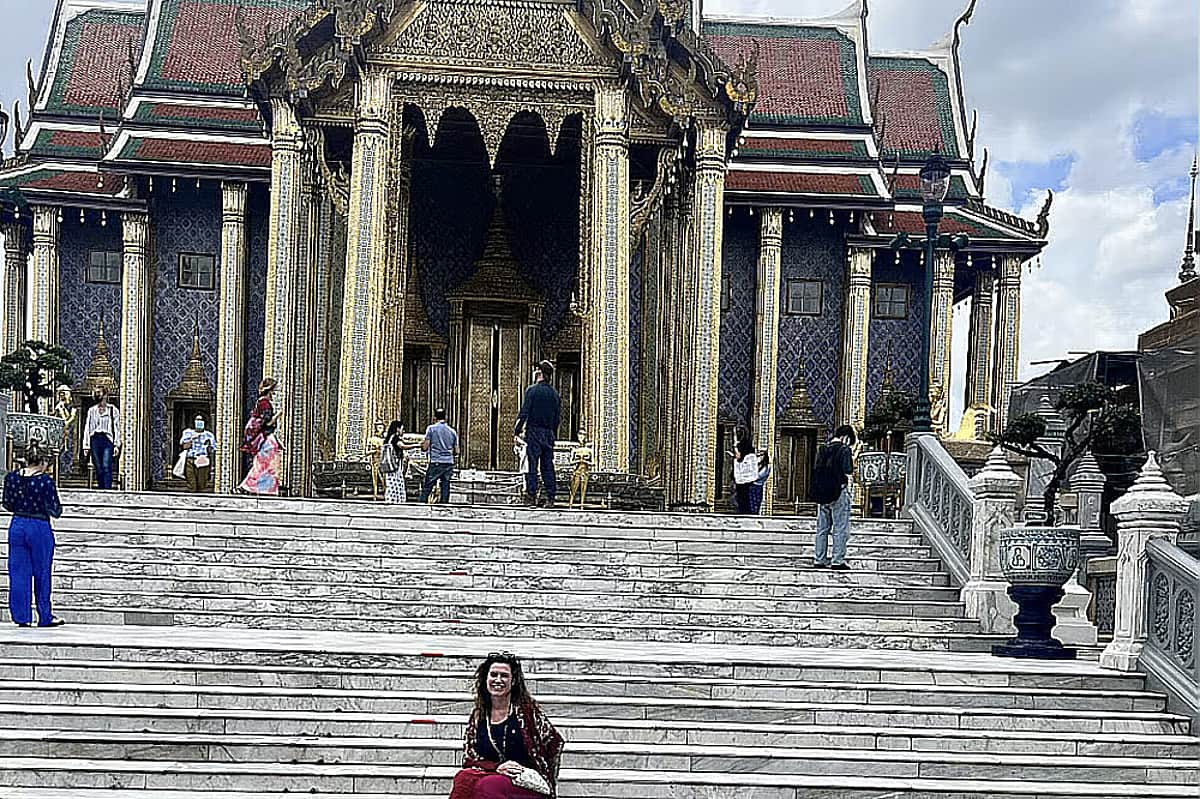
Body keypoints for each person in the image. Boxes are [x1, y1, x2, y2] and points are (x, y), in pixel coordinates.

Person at [449, 652, 564, 799]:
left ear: (513, 681)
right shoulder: (479, 716)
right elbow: (469, 759)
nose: (498, 680)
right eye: (494, 675)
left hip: (523, 781)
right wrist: (496, 767)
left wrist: (538, 771)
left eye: (504, 676)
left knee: (488, 786)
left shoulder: (527, 713)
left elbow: (554, 742)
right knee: (463, 778)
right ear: (486, 679)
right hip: (493, 773)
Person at [4, 444, 65, 628]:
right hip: (39, 526)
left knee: (18, 572)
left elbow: (7, 503)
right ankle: (44, 615)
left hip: (17, 525)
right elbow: (55, 509)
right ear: (43, 462)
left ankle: (21, 616)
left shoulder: (12, 478)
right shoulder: (45, 481)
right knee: (42, 571)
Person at [514, 360, 561, 508]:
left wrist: (517, 431)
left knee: (532, 465)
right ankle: (550, 496)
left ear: (539, 373)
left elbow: (524, 413)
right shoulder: (555, 394)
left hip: (534, 431)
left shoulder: (532, 391)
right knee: (547, 465)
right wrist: (552, 432)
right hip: (548, 433)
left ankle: (531, 495)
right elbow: (557, 418)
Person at [811, 424, 856, 571]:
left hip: (822, 493)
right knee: (840, 527)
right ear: (846, 437)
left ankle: (819, 559)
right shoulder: (844, 449)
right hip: (838, 492)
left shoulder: (822, 449)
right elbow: (848, 470)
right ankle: (837, 560)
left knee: (822, 528)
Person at [239, 378, 282, 496]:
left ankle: (256, 487)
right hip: (266, 439)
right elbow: (266, 423)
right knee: (266, 465)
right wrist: (278, 415)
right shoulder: (265, 403)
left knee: (263, 465)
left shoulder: (261, 402)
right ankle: (251, 486)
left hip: (266, 439)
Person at [83, 386, 120, 490]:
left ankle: (107, 489)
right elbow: (88, 427)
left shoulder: (113, 410)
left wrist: (117, 445)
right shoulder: (92, 411)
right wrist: (86, 445)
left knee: (106, 465)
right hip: (95, 439)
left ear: (105, 396)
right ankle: (101, 488)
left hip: (107, 439)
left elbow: (117, 428)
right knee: (98, 467)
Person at [420, 408, 458, 504]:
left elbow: (425, 447)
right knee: (445, 487)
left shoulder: (431, 429)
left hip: (436, 461)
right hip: (448, 462)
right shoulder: (452, 431)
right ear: (446, 417)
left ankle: (420, 507)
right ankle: (444, 507)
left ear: (434, 417)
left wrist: (422, 445)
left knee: (428, 486)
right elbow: (457, 451)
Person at [380, 420, 418, 504]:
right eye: (402, 429)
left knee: (390, 482)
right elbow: (403, 446)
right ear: (397, 429)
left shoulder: (389, 438)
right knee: (395, 482)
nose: (403, 431)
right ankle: (395, 500)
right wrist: (417, 445)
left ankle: (391, 499)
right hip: (395, 464)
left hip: (389, 464)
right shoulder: (395, 438)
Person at [179, 415, 216, 493]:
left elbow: (213, 449)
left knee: (202, 483)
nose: (199, 422)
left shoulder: (209, 435)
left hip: (202, 459)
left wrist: (208, 445)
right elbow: (184, 446)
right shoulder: (188, 433)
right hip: (190, 459)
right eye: (197, 420)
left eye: (201, 420)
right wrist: (192, 439)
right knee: (191, 482)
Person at [728, 425, 758, 515]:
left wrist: (735, 447)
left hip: (744, 477)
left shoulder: (743, 446)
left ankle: (745, 512)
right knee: (742, 496)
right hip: (745, 476)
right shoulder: (748, 446)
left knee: (743, 496)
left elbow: (739, 457)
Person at [750, 450, 771, 515]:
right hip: (751, 487)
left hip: (757, 487)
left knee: (755, 505)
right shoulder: (756, 465)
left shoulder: (766, 467)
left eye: (761, 455)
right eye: (757, 455)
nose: (758, 457)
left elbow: (757, 477)